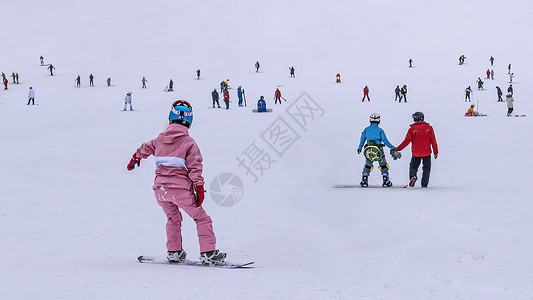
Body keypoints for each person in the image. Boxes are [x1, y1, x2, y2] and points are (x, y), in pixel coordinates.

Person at [126, 100, 226, 265]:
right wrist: (199, 188)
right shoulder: (189, 142)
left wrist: (135, 158)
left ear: (171, 119)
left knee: (173, 218)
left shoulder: (159, 139)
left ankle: (174, 252)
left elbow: (145, 148)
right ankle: (208, 253)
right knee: (201, 218)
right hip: (180, 190)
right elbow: (195, 167)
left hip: (160, 190)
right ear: (189, 122)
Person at [395, 112, 438, 188]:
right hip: (427, 152)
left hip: (416, 153)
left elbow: (406, 141)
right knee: (426, 168)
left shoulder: (412, 129)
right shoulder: (429, 128)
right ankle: (424, 184)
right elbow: (433, 141)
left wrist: (398, 149)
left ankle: (413, 176)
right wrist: (435, 152)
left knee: (413, 167)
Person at [357, 113, 397, 187]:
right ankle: (385, 180)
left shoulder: (366, 129)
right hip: (379, 150)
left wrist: (360, 147)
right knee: (383, 165)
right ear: (379, 121)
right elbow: (385, 141)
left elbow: (362, 140)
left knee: (368, 166)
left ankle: (364, 179)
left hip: (369, 151)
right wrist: (392, 147)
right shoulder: (380, 130)